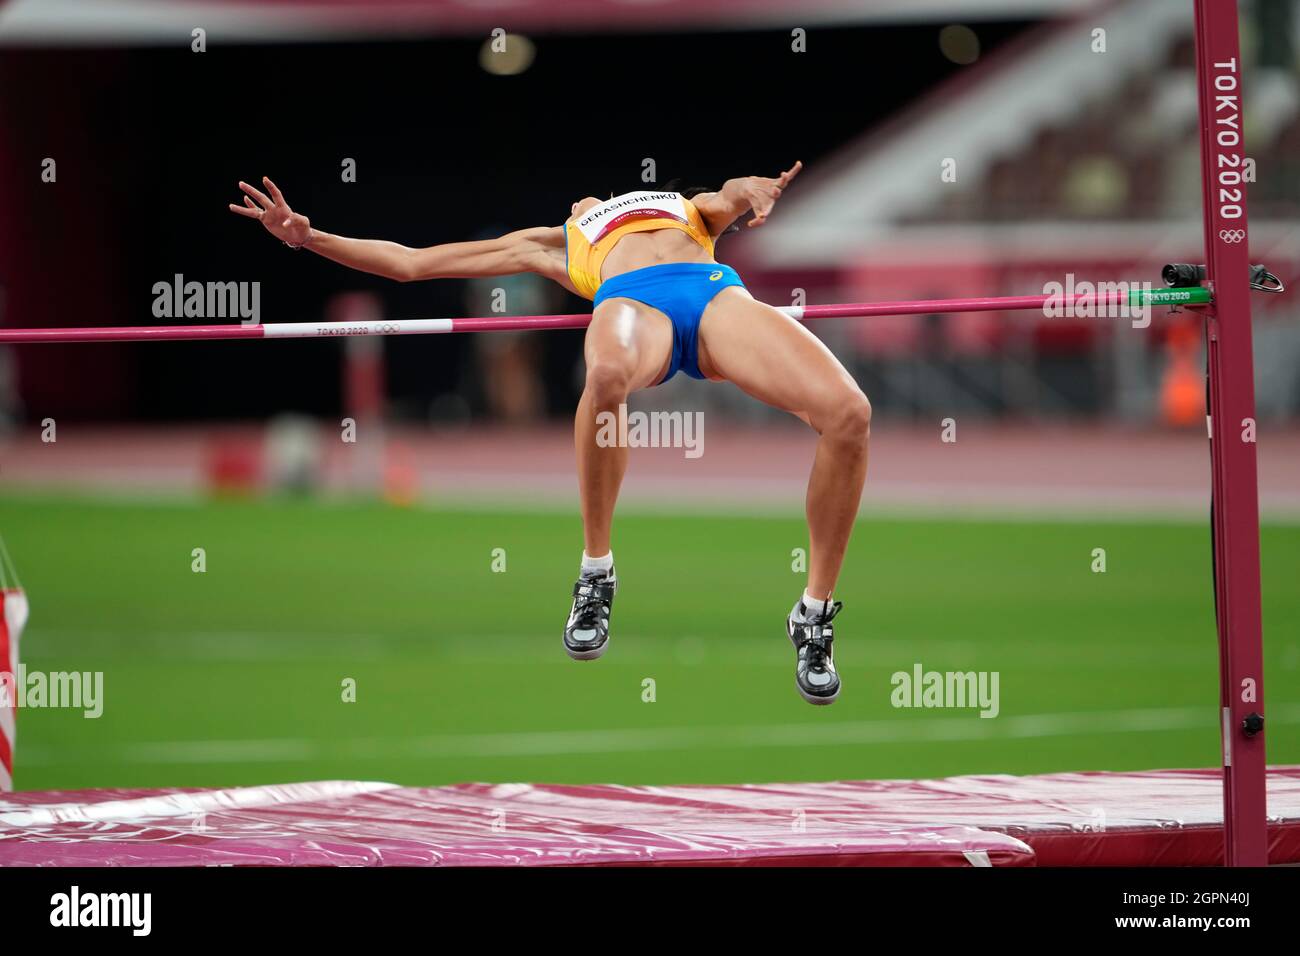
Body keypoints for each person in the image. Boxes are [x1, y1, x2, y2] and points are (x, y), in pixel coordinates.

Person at [229, 163, 871, 704]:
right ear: (578, 211)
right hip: (631, 307)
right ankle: (597, 572)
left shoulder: (678, 208)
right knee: (609, 372)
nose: (599, 197)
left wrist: (753, 192)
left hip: (713, 297)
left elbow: (725, 196)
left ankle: (812, 613)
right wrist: (309, 238)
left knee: (849, 413)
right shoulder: (553, 241)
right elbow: (412, 264)